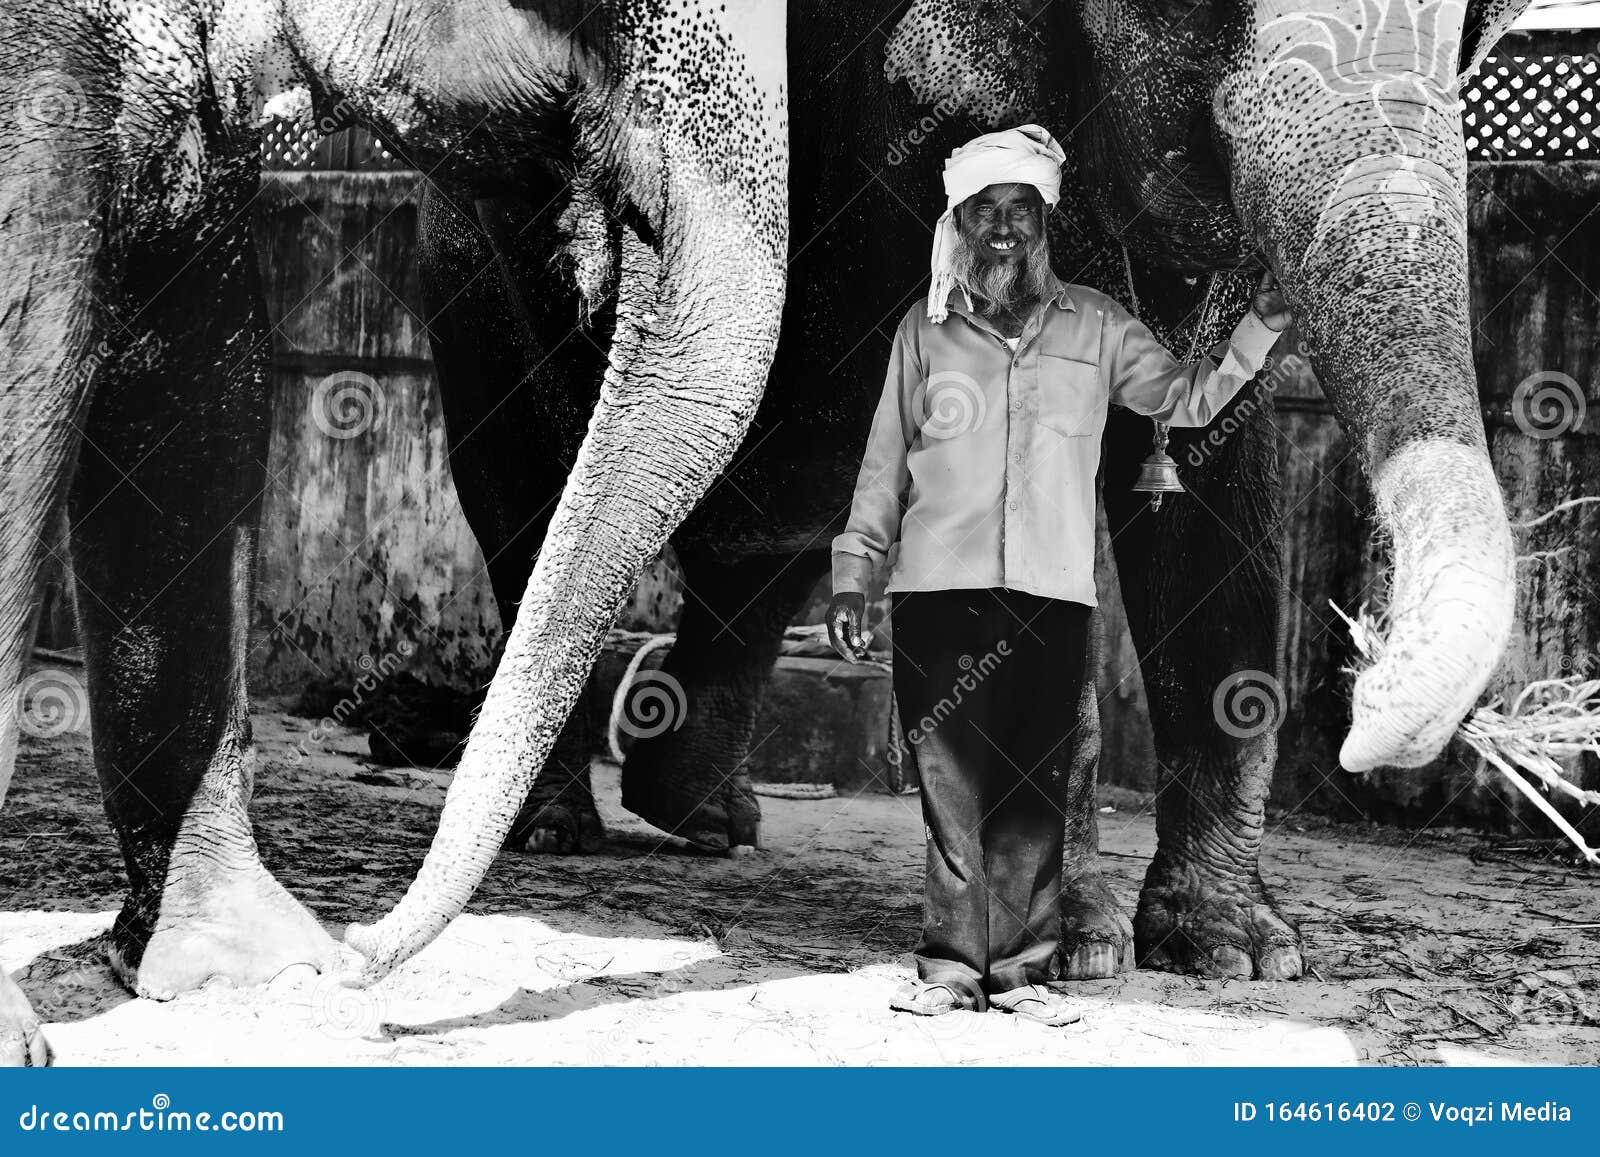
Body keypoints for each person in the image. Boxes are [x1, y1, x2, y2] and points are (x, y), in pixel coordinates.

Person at [826, 124, 1293, 1026]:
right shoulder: (923, 333)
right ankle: (950, 970)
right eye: (985, 209)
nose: (1004, 226)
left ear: (1044, 223)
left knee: (1034, 789)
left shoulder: (1098, 325)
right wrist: (855, 572)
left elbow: (1188, 398)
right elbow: (884, 465)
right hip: (935, 593)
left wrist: (1261, 324)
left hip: (1051, 595)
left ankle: (1021, 976)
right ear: (958, 223)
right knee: (950, 791)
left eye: (1022, 209)